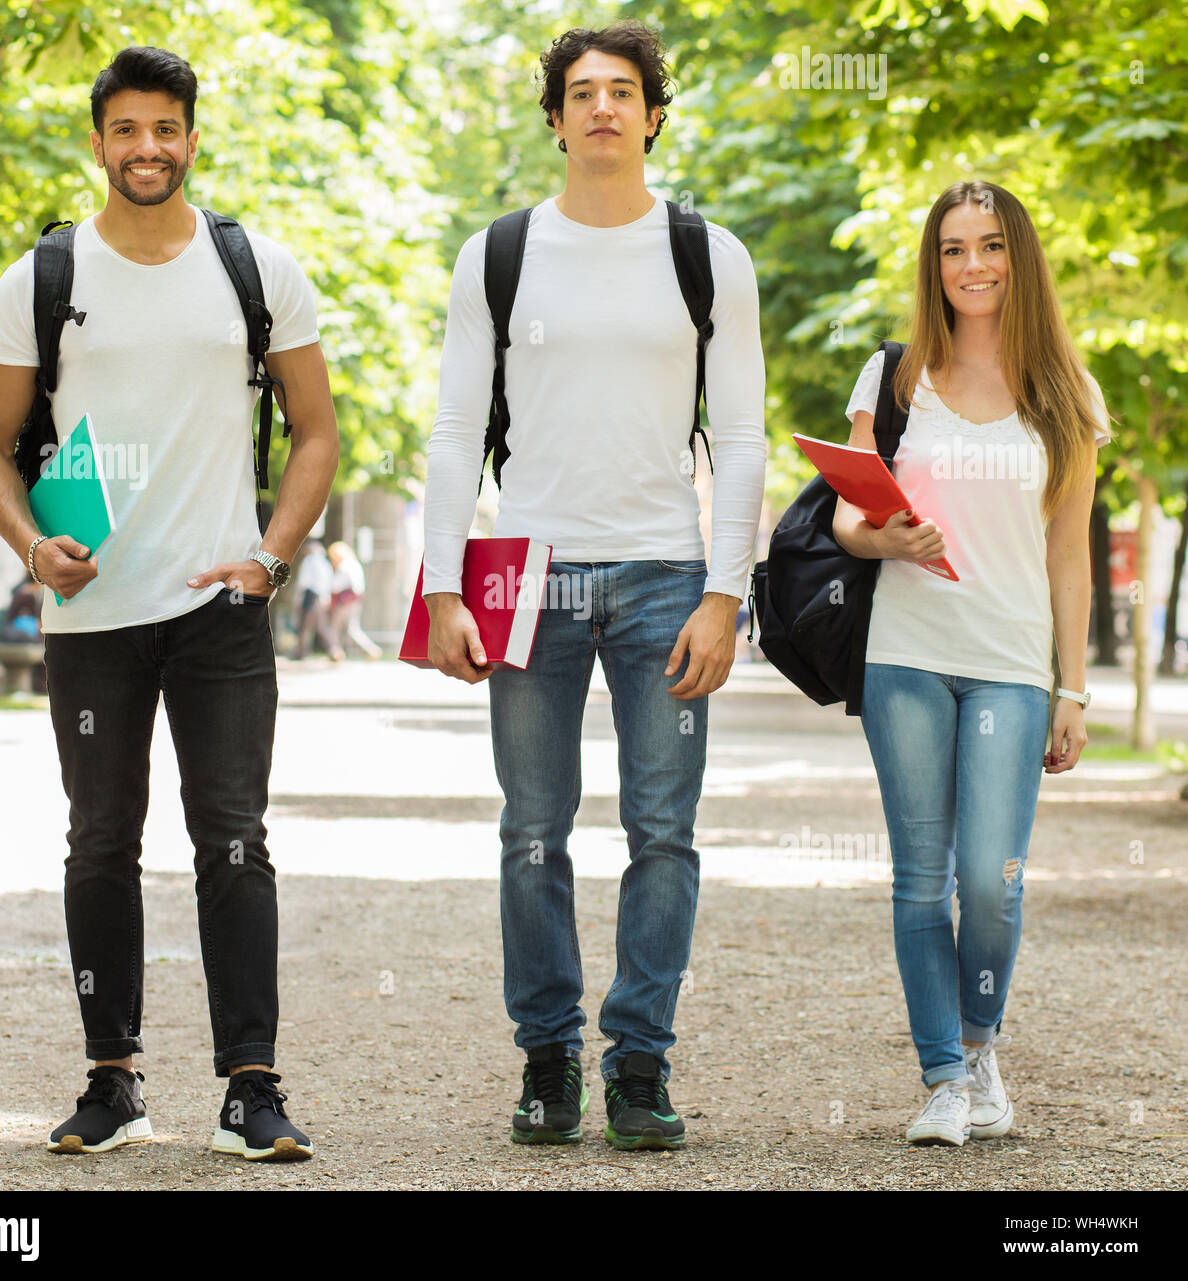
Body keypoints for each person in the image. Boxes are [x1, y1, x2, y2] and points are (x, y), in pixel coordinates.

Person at [0, 46, 340, 1161]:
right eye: (126, 130)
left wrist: (269, 557)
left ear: (191, 135)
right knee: (99, 845)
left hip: (219, 607)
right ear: (99, 141)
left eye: (165, 128)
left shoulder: (253, 268)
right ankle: (112, 1079)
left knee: (232, 841)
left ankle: (251, 1089)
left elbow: (317, 433)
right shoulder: (42, 279)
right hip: (91, 619)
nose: (146, 149)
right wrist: (35, 548)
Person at [422, 22, 765, 1150]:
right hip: (529, 574)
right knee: (533, 829)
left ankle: (640, 1065)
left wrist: (727, 591)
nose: (604, 108)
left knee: (663, 833)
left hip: (668, 575)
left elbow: (745, 436)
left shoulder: (707, 255)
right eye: (583, 93)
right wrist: (441, 587)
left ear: (654, 115)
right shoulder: (501, 252)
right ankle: (546, 1062)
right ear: (556, 117)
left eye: (624, 91)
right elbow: (457, 427)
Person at [832, 180, 1110, 1146]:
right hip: (905, 654)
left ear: (1018, 255)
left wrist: (1072, 686)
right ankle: (943, 1075)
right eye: (953, 249)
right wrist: (886, 542)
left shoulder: (1066, 393)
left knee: (991, 877)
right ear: (933, 264)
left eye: (990, 245)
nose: (973, 265)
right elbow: (846, 514)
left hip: (1009, 664)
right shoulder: (897, 377)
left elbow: (1069, 552)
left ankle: (982, 1043)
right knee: (921, 879)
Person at [326, 540, 381, 660]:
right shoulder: (355, 563)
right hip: (355, 600)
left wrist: (331, 600)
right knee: (352, 629)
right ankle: (371, 649)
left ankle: (336, 653)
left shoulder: (344, 565)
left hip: (344, 601)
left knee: (335, 628)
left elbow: (336, 586)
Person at [293, 538, 334, 660]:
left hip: (311, 596)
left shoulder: (309, 561)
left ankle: (301, 653)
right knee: (320, 626)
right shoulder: (325, 563)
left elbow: (303, 581)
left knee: (306, 625)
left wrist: (298, 597)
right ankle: (334, 650)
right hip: (322, 596)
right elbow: (329, 582)